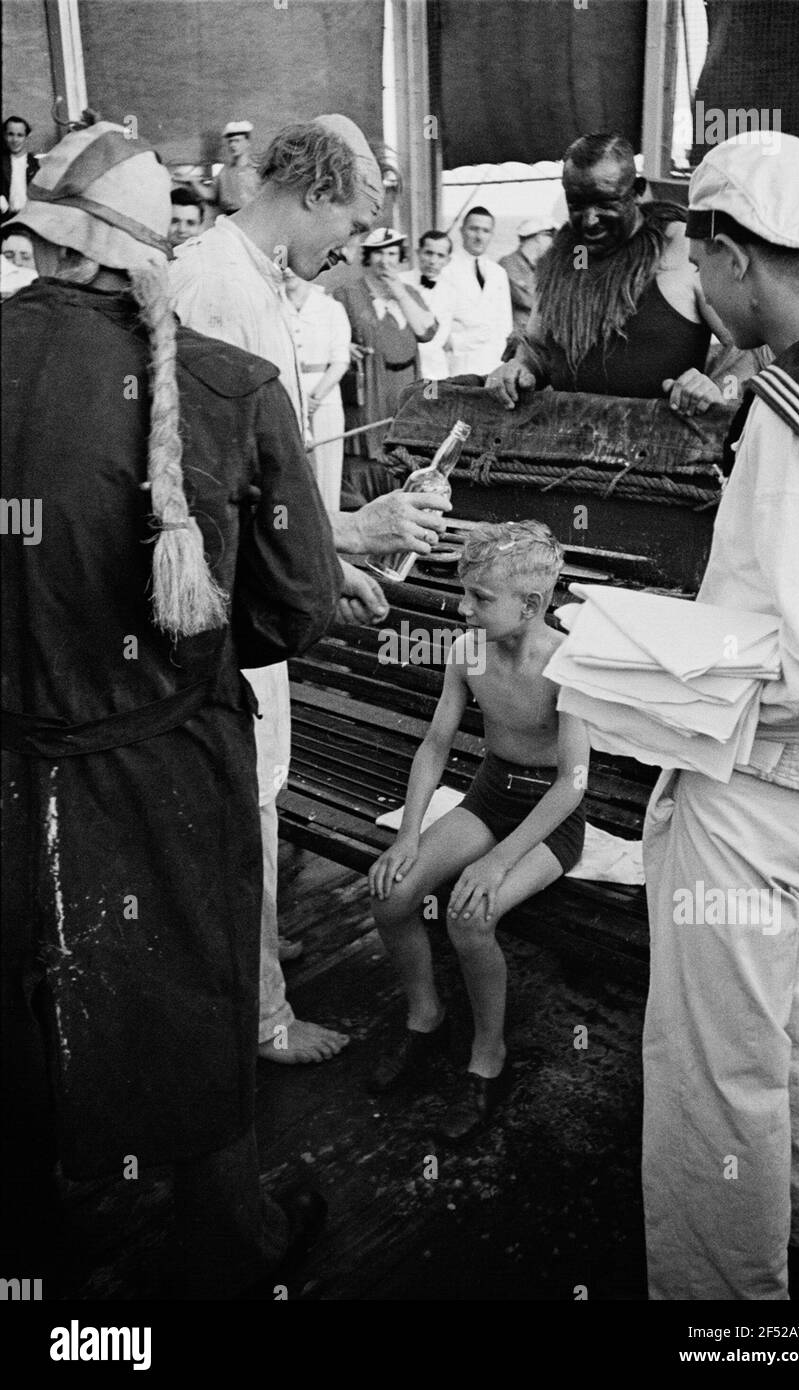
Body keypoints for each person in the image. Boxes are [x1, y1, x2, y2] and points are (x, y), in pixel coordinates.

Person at [1, 121, 345, 1297]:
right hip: (163, 762)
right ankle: (228, 1240)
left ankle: (59, 1238)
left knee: (30, 991)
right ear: (151, 254)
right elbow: (298, 611)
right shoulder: (221, 383)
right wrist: (176, 664)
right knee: (191, 995)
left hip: (12, 769)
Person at [171, 119, 451, 1067]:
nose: (343, 254)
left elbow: (273, 477)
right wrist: (345, 541)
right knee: (244, 798)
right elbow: (218, 492)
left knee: (262, 788)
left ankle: (250, 954)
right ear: (320, 192)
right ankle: (262, 1016)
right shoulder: (217, 284)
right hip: (224, 610)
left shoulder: (260, 283)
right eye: (348, 228)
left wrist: (334, 567)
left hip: (256, 595)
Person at [641, 131, 799, 1300]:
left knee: (715, 1064)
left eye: (696, 263)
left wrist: (638, 656)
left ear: (734, 256)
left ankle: (726, 1308)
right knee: (794, 1008)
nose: (697, 295)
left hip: (759, 778)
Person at [368, 521, 590, 1144]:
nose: (464, 607)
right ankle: (425, 1017)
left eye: (480, 598)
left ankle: (486, 1056)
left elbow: (572, 782)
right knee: (391, 892)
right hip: (491, 795)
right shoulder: (468, 649)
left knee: (470, 915)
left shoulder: (567, 663)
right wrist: (410, 832)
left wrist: (496, 863)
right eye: (464, 593)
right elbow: (438, 741)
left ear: (532, 604)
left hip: (551, 816)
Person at [486, 133, 731, 414]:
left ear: (637, 191)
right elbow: (539, 349)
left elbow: (747, 345)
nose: (590, 220)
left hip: (665, 447)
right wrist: (518, 368)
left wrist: (719, 388)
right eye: (577, 204)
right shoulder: (564, 257)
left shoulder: (681, 246)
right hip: (566, 443)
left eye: (605, 203)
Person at [333, 226, 437, 458]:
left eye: (392, 254)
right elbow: (325, 336)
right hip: (371, 384)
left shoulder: (410, 292)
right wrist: (344, 347)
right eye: (379, 253)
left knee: (405, 446)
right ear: (368, 257)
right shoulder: (346, 294)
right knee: (371, 452)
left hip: (406, 381)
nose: (386, 261)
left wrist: (399, 293)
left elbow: (427, 333)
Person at [282, 264, 352, 512]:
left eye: (293, 266)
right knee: (289, 469)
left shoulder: (330, 308)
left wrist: (314, 398)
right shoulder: (273, 304)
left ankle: (329, 539)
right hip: (285, 392)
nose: (287, 271)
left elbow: (340, 360)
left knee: (326, 470)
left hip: (325, 396)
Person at [440, 207, 512, 377]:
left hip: (493, 365)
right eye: (473, 229)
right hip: (458, 364)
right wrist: (457, 342)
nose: (479, 237)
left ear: (491, 235)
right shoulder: (445, 270)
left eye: (486, 231)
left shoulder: (498, 273)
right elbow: (438, 327)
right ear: (462, 231)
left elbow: (505, 325)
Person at [400, 229, 456, 381]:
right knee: (403, 404)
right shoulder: (399, 283)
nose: (433, 261)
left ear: (448, 260)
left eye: (440, 255)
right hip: (403, 368)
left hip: (434, 372)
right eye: (428, 253)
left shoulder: (452, 291)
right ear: (418, 253)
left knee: (431, 403)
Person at [498, 217, 555, 334]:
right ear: (539, 237)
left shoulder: (541, 267)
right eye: (551, 236)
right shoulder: (508, 264)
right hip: (518, 341)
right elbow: (529, 300)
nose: (553, 243)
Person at [1, 115, 39, 221]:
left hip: (30, 219)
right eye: (10, 134)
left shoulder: (36, 165)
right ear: (4, 136)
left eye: (20, 135)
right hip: (6, 220)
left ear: (26, 137)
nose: (15, 140)